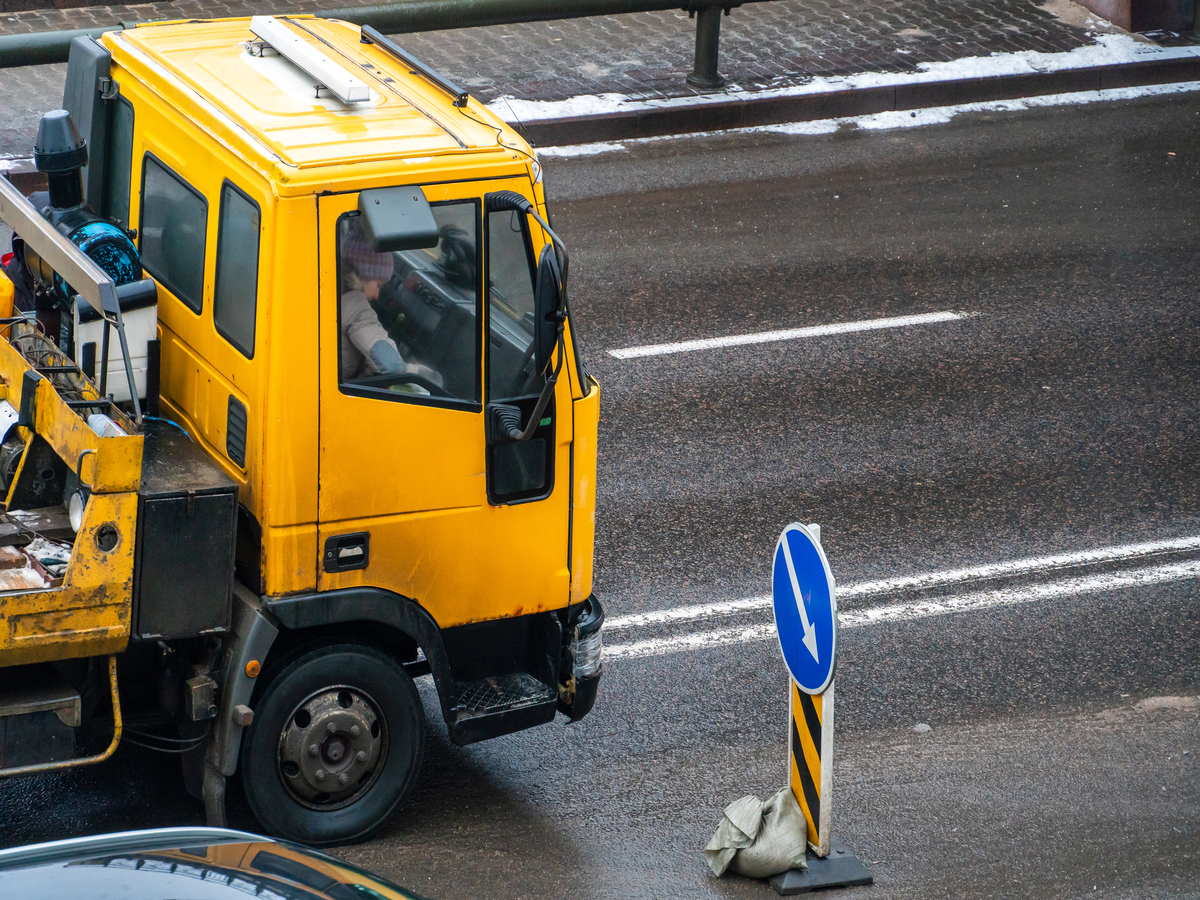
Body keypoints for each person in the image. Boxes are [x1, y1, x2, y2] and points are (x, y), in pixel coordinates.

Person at [339, 220, 439, 386]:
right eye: (378, 285)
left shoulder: (334, 292)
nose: (377, 295)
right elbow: (389, 364)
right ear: (362, 275)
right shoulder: (354, 303)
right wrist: (412, 373)